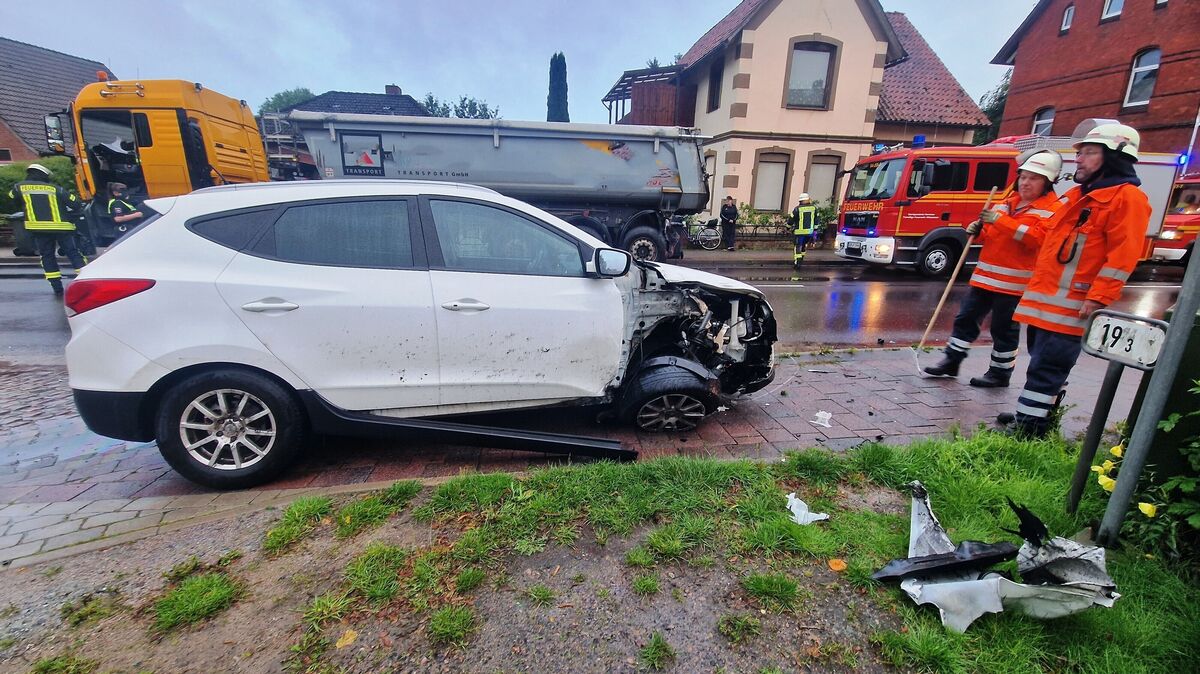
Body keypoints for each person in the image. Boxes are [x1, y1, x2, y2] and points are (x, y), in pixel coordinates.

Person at [1002, 123, 1151, 437]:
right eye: (1080, 152)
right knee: (1041, 364)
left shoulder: (1127, 199)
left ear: (1114, 157)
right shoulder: (1078, 195)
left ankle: (1029, 430)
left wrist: (1098, 298)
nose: (1079, 159)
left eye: (1088, 152)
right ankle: (1035, 416)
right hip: (1047, 301)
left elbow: (1123, 257)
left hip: (1074, 304)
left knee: (1048, 367)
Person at [923, 150, 1064, 387]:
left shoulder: (1053, 209)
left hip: (1014, 284)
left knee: (1003, 329)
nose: (1026, 182)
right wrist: (977, 230)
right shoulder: (1006, 203)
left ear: (1048, 182)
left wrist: (999, 221)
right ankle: (951, 361)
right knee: (965, 318)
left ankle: (1000, 373)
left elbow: (1036, 239)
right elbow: (991, 235)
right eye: (1023, 177)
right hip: (984, 278)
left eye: (1034, 178)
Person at [7, 163, 85, 295]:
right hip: (62, 229)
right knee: (73, 254)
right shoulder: (55, 188)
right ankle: (85, 280)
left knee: (47, 257)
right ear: (45, 175)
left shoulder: (19, 187)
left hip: (38, 230)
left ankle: (57, 288)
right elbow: (75, 204)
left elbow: (11, 198)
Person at [788, 193, 816, 266]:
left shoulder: (797, 209)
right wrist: (815, 230)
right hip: (809, 232)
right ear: (808, 199)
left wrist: (788, 227)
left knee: (797, 246)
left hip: (799, 232)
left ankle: (797, 261)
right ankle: (802, 258)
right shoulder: (813, 208)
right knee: (804, 245)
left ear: (800, 200)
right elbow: (817, 220)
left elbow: (791, 219)